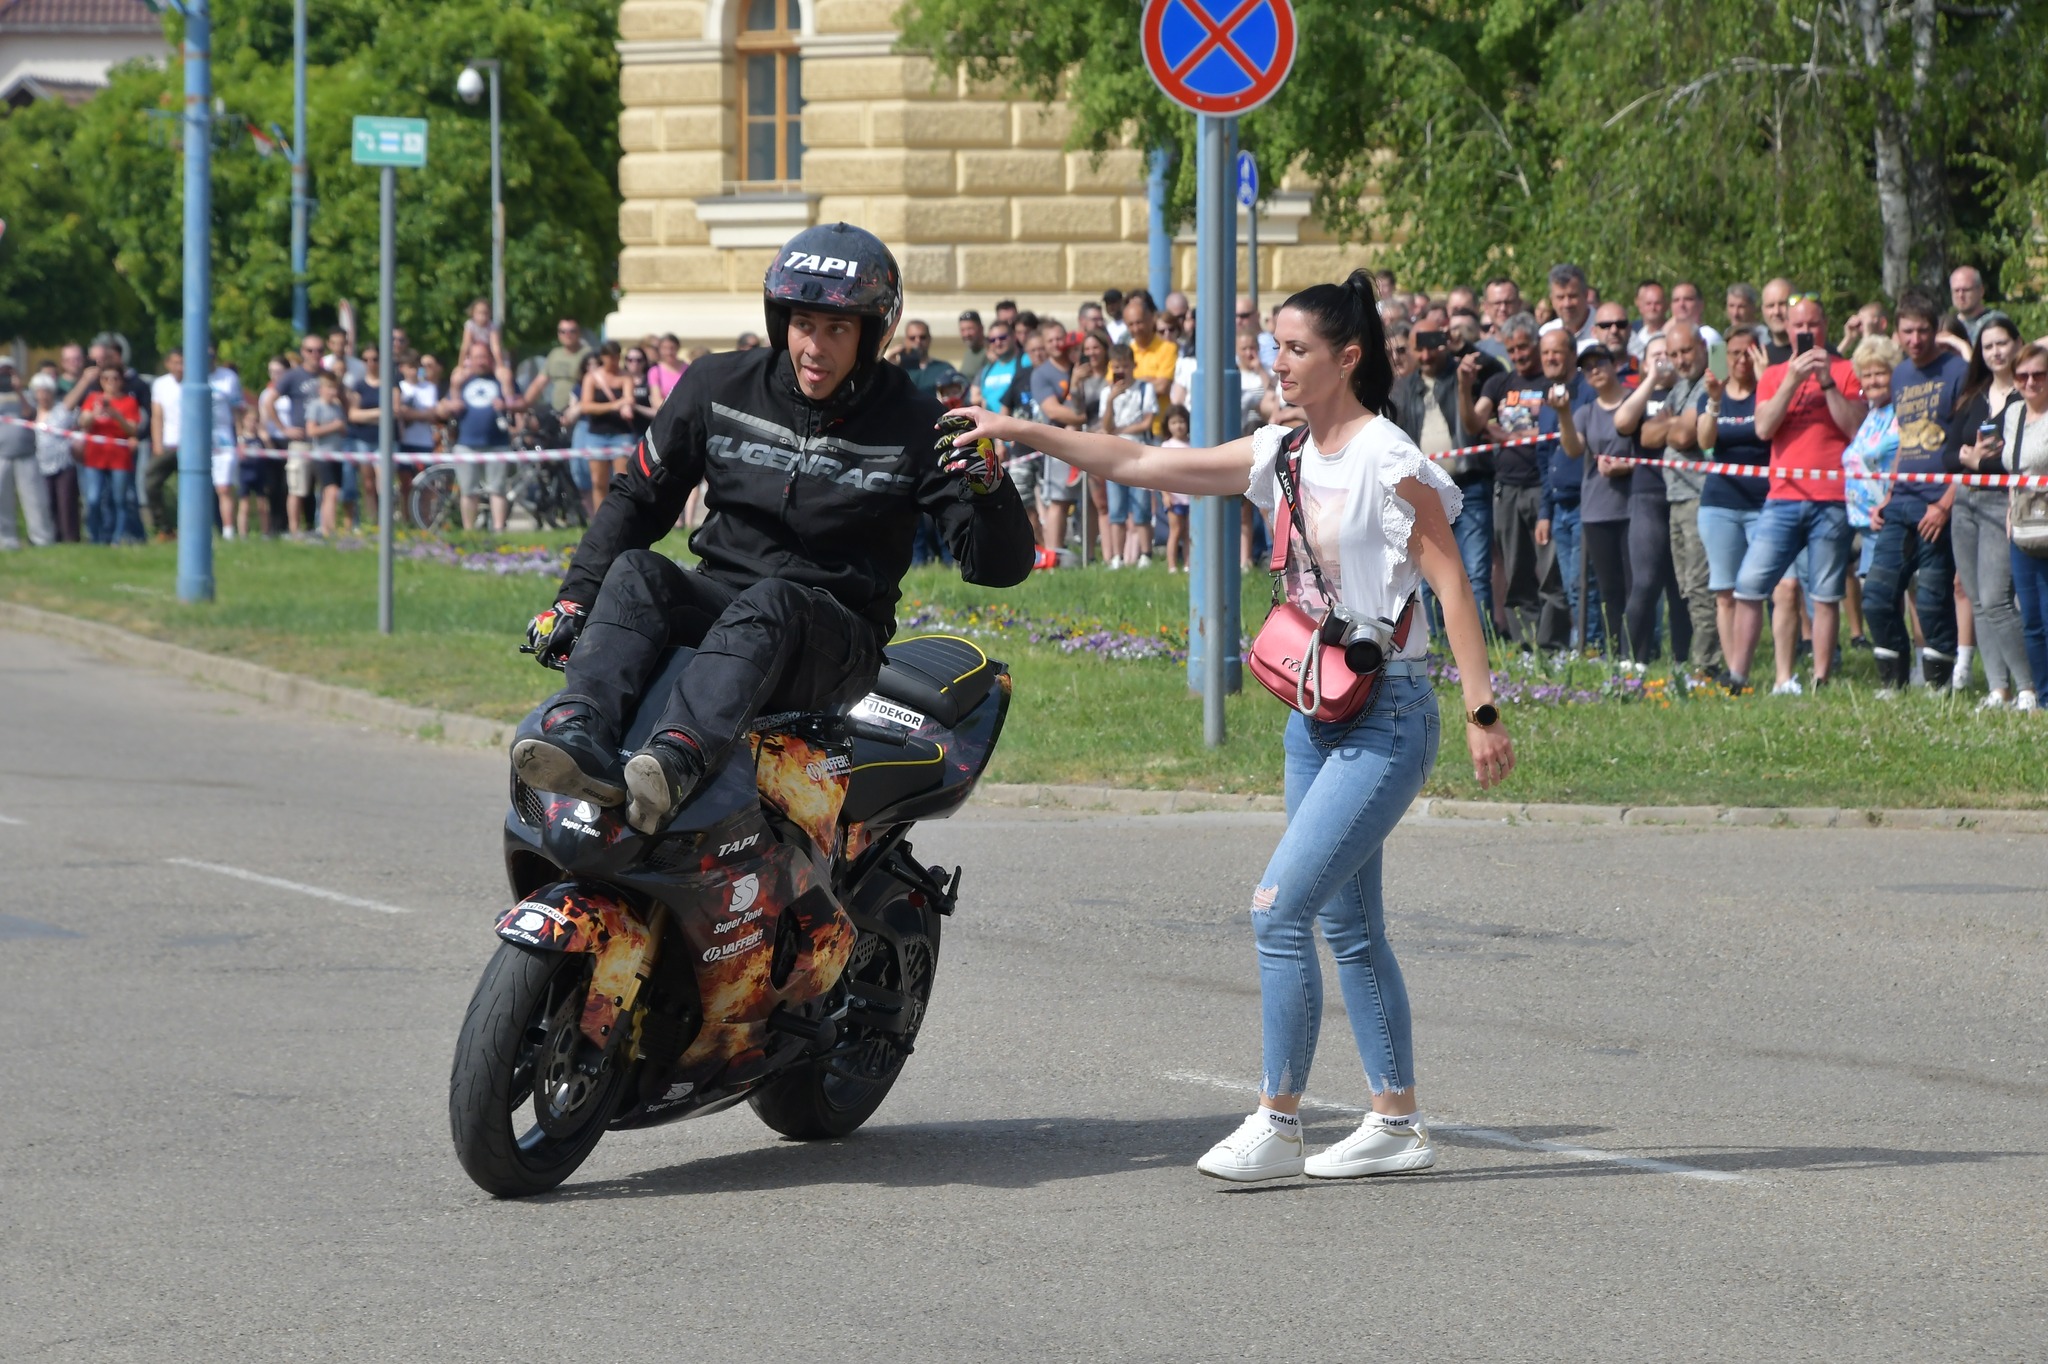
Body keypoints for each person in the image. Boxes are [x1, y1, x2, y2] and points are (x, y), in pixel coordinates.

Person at [941, 269, 1513, 1182]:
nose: (1277, 365)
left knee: (1279, 910)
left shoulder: (1389, 461)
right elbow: (1138, 462)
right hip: (1313, 712)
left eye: (1296, 350)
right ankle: (1396, 1123)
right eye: (1273, 348)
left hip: (1389, 717)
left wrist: (1484, 711)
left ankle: (1278, 1119)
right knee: (1350, 928)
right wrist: (1018, 431)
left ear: (1348, 359)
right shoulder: (1281, 452)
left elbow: (1451, 583)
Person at [510, 223, 1036, 835]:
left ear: (873, 334)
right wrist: (573, 601)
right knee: (635, 573)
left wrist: (990, 488)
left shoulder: (919, 422)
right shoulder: (716, 384)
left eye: (837, 329)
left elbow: (995, 568)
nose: (815, 346)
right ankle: (580, 735)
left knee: (773, 601)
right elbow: (636, 501)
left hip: (837, 638)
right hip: (727, 608)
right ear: (778, 319)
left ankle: (675, 761)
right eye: (803, 324)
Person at [1723, 296, 1867, 693]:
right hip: (1783, 496)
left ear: (1825, 326)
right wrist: (1790, 379)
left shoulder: (1847, 370)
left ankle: (1821, 677)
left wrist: (1825, 382)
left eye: (1813, 325)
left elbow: (1855, 427)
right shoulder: (1771, 375)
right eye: (1798, 326)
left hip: (1831, 497)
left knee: (1824, 593)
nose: (1805, 333)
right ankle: (1738, 675)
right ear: (1787, 330)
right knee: (1749, 585)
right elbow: (1764, 428)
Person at [1862, 289, 1968, 691]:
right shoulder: (1901, 374)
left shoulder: (1956, 370)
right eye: (1907, 331)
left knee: (1932, 601)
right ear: (1897, 331)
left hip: (1938, 506)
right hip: (1902, 501)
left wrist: (1945, 504)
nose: (1915, 340)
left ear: (1935, 329)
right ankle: (1893, 683)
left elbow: (1969, 440)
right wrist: (1888, 496)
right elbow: (1904, 441)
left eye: (1923, 331)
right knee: (1876, 593)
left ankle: (1940, 687)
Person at [1468, 316, 1577, 646]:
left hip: (1543, 485)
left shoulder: (1553, 384)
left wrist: (1523, 435)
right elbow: (1473, 421)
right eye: (1511, 349)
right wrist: (1464, 387)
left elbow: (1558, 427)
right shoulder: (1499, 382)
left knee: (1550, 571)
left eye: (1524, 347)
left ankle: (1552, 642)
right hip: (1507, 485)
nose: (1518, 354)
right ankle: (1526, 644)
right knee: (1515, 572)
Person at [1948, 314, 2034, 706]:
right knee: (1976, 598)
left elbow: (2015, 459)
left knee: (1999, 599)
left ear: (2018, 344)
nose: (1996, 352)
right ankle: (1998, 687)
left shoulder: (2029, 395)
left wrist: (1973, 461)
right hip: (1964, 502)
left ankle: (2029, 688)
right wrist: (1965, 458)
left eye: (2002, 343)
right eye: (1988, 346)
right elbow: (1947, 451)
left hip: (2004, 502)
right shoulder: (1974, 393)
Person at [1694, 328, 1775, 668]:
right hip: (1720, 502)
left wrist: (1767, 381)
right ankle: (1734, 670)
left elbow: (1768, 430)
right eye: (1735, 353)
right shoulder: (1713, 393)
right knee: (1725, 592)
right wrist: (1714, 399)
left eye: (1749, 353)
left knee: (1772, 588)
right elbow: (1704, 441)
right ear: (1723, 358)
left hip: (1766, 503)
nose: (1742, 360)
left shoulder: (1771, 392)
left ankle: (1778, 662)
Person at [1576, 345, 1653, 660]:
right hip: (1597, 509)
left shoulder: (1637, 401)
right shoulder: (1585, 412)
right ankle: (1616, 652)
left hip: (1635, 505)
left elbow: (1652, 450)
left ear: (1614, 365)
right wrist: (1565, 415)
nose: (1594, 370)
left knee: (1639, 585)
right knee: (1609, 590)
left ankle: (1641, 653)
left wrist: (1628, 465)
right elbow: (1571, 448)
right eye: (1587, 367)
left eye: (1600, 363)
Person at [1996, 343, 2048, 703]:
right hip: (2021, 526)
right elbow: (2014, 470)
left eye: (2040, 374)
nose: (2031, 382)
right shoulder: (2013, 413)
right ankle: (2043, 697)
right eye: (2023, 375)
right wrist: (2009, 512)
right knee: (2030, 619)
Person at [442, 341, 517, 532]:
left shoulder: (501, 380)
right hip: (466, 444)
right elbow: (442, 407)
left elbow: (519, 402)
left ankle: (499, 530)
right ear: (470, 360)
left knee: (497, 490)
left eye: (484, 357)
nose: (480, 361)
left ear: (490, 359)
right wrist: (451, 405)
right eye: (476, 357)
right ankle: (469, 531)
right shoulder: (461, 382)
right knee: (468, 491)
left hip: (497, 443)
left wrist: (506, 404)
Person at [1098, 343, 1157, 568]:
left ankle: (1146, 554)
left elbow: (1147, 422)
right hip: (1114, 453)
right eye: (1116, 367)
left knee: (1141, 504)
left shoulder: (1144, 388)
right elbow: (1106, 424)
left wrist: (1121, 430)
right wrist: (1112, 400)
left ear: (1133, 365)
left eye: (1124, 366)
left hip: (1138, 450)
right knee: (1116, 506)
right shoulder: (1107, 393)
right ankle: (1117, 556)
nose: (1121, 371)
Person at [78, 364, 143, 544]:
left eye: (115, 379)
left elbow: (132, 429)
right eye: (106, 379)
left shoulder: (129, 402)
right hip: (95, 456)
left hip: (119, 458)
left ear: (121, 381)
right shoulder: (93, 398)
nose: (110, 383)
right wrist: (94, 414)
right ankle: (95, 536)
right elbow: (83, 422)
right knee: (93, 499)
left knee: (120, 499)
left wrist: (116, 415)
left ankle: (117, 537)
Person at [577, 341, 636, 512]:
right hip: (597, 434)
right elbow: (586, 406)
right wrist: (615, 405)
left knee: (621, 480)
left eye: (617, 358)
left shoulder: (625, 376)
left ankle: (620, 516)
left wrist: (625, 405)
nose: (614, 362)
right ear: (603, 358)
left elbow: (629, 399)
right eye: (611, 358)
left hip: (620, 433)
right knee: (598, 481)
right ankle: (599, 518)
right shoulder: (592, 378)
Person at [0, 362, 53, 550]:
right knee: (2, 500)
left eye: (8, 372)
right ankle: (6, 540)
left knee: (35, 500)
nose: (5, 377)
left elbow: (29, 414)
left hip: (26, 454)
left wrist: (18, 390)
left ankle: (41, 539)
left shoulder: (27, 395)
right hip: (2, 455)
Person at [27, 373, 76, 543]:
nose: (43, 396)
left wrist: (85, 378)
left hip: (63, 465)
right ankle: (49, 537)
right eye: (39, 392)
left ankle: (70, 538)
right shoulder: (31, 412)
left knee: (66, 504)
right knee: (45, 504)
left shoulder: (60, 411)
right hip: (40, 466)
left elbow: (73, 400)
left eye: (46, 392)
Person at [146, 350, 185, 540]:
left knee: (189, 489)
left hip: (191, 446)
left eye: (183, 363)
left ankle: (193, 528)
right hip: (169, 444)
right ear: (168, 364)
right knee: (151, 482)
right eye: (176, 362)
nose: (180, 367)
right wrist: (157, 443)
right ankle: (165, 528)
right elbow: (157, 416)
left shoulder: (196, 383)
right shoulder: (161, 384)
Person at [1160, 403, 1193, 573]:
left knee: (1189, 532)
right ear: (1167, 425)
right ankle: (1172, 565)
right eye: (1174, 422)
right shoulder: (1167, 446)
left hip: (1190, 496)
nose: (1178, 426)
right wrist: (1165, 494)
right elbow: (1162, 473)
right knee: (1175, 530)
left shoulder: (1192, 443)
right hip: (1174, 495)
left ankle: (1188, 563)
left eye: (1181, 422)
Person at [1548, 263, 1594, 344]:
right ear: (1551, 300)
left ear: (1586, 295)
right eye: (1560, 297)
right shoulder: (1546, 334)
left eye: (1573, 296)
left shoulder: (1607, 331)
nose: (1567, 304)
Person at [1630, 280, 1669, 364]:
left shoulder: (1673, 333)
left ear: (1666, 305)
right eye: (1648, 304)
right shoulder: (1634, 335)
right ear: (1640, 307)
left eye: (1657, 303)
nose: (1653, 308)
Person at [461, 297, 504, 368]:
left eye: (485, 313)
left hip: (488, 358)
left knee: (505, 376)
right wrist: (460, 365)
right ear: (473, 313)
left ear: (489, 314)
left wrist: (500, 365)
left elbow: (495, 347)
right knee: (456, 378)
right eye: (479, 313)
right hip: (473, 358)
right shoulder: (470, 325)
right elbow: (466, 345)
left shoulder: (492, 327)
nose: (482, 316)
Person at [1949, 266, 1989, 340]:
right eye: (1956, 290)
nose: (1960, 295)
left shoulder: (1995, 322)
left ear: (1981, 291)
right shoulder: (1946, 326)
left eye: (1966, 290)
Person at [649, 334, 686, 403]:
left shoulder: (688, 369)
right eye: (665, 348)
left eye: (672, 348)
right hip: (665, 411)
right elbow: (656, 400)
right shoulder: (655, 371)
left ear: (678, 348)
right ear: (659, 349)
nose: (669, 352)